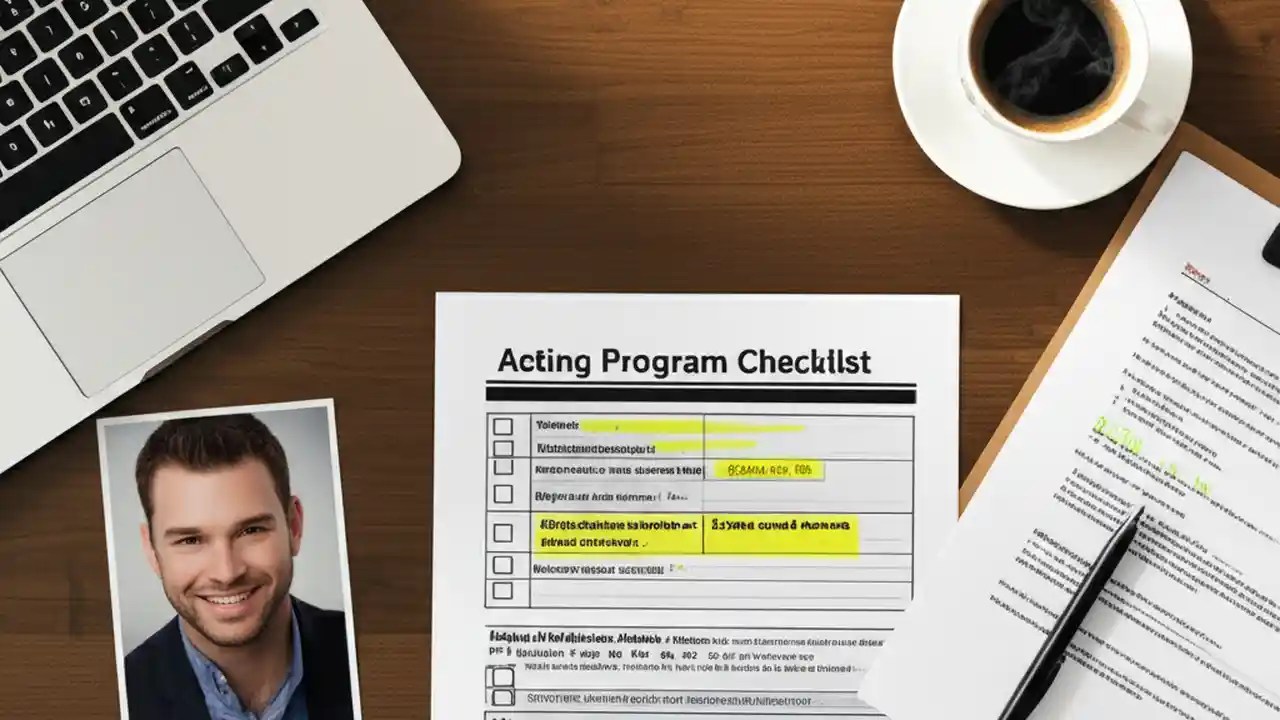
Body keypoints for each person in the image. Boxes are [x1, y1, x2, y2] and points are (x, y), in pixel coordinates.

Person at [123, 414, 355, 720]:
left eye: (251, 531)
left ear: (294, 526)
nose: (227, 572)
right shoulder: (120, 693)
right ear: (151, 550)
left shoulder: (369, 651)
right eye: (190, 540)